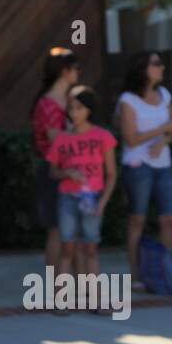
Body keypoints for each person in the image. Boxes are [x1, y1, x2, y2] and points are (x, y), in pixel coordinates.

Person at [47, 86, 118, 308]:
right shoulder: (61, 139)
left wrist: (103, 202)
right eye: (71, 108)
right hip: (68, 197)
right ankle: (61, 299)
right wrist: (67, 172)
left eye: (79, 108)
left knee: (90, 248)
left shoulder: (103, 136)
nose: (74, 113)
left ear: (89, 110)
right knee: (67, 247)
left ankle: (97, 300)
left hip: (93, 197)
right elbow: (52, 171)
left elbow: (111, 174)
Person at [116, 50, 172, 289]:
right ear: (143, 68)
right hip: (137, 166)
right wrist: (161, 131)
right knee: (137, 220)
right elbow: (131, 139)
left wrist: (164, 140)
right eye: (157, 63)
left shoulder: (164, 94)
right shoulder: (127, 100)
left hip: (163, 165)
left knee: (169, 219)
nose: (162, 67)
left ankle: (166, 272)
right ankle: (136, 276)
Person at [31, 48, 81, 273]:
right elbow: (55, 141)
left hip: (77, 171)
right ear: (64, 70)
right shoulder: (48, 104)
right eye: (75, 67)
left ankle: (81, 287)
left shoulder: (72, 100)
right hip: (55, 171)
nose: (78, 72)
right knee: (57, 231)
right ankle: (57, 291)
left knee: (77, 232)